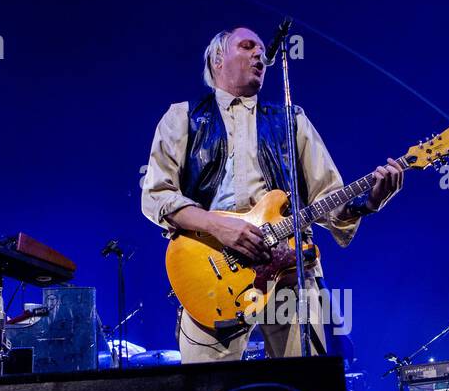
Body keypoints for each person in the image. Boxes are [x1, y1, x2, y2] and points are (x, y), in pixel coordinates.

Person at [140, 26, 404, 362]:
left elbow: (329, 198)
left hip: (289, 272)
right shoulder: (183, 118)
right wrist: (219, 227)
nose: (259, 54)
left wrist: (369, 203)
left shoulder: (291, 121)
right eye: (247, 46)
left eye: (261, 49)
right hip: (212, 274)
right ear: (218, 59)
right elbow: (156, 195)